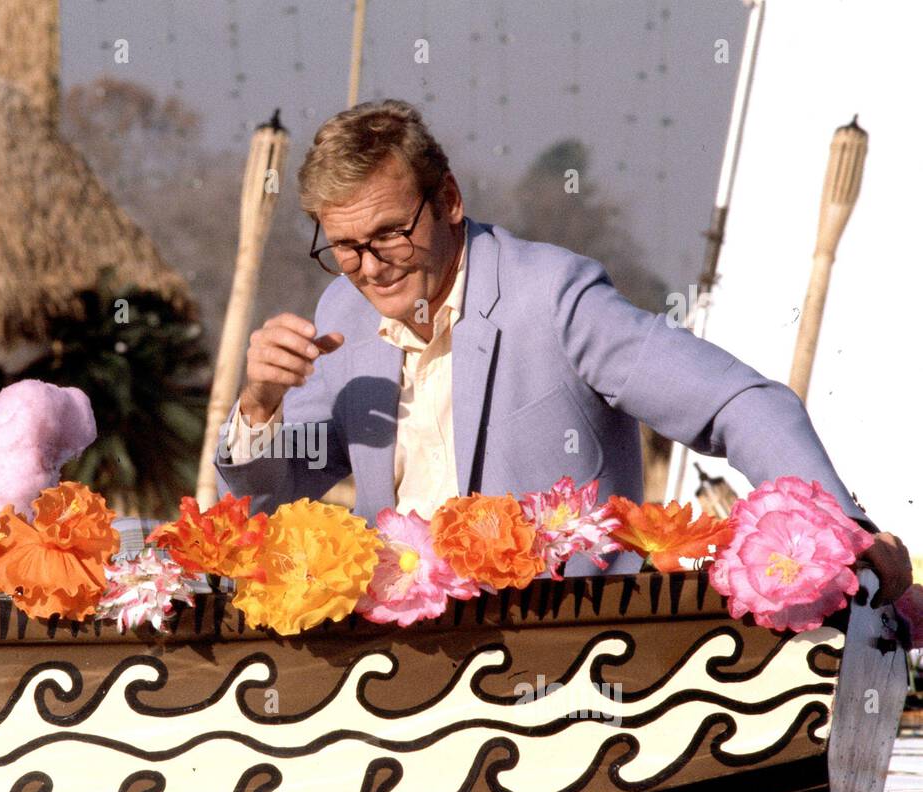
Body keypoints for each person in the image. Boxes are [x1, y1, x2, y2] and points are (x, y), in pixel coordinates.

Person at [215, 100, 911, 602]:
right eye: (344, 247)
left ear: (449, 199)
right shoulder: (341, 310)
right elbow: (268, 493)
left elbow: (736, 402)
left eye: (391, 233)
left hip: (571, 660)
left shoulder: (553, 295)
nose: (370, 268)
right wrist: (259, 403)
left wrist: (843, 530)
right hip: (397, 670)